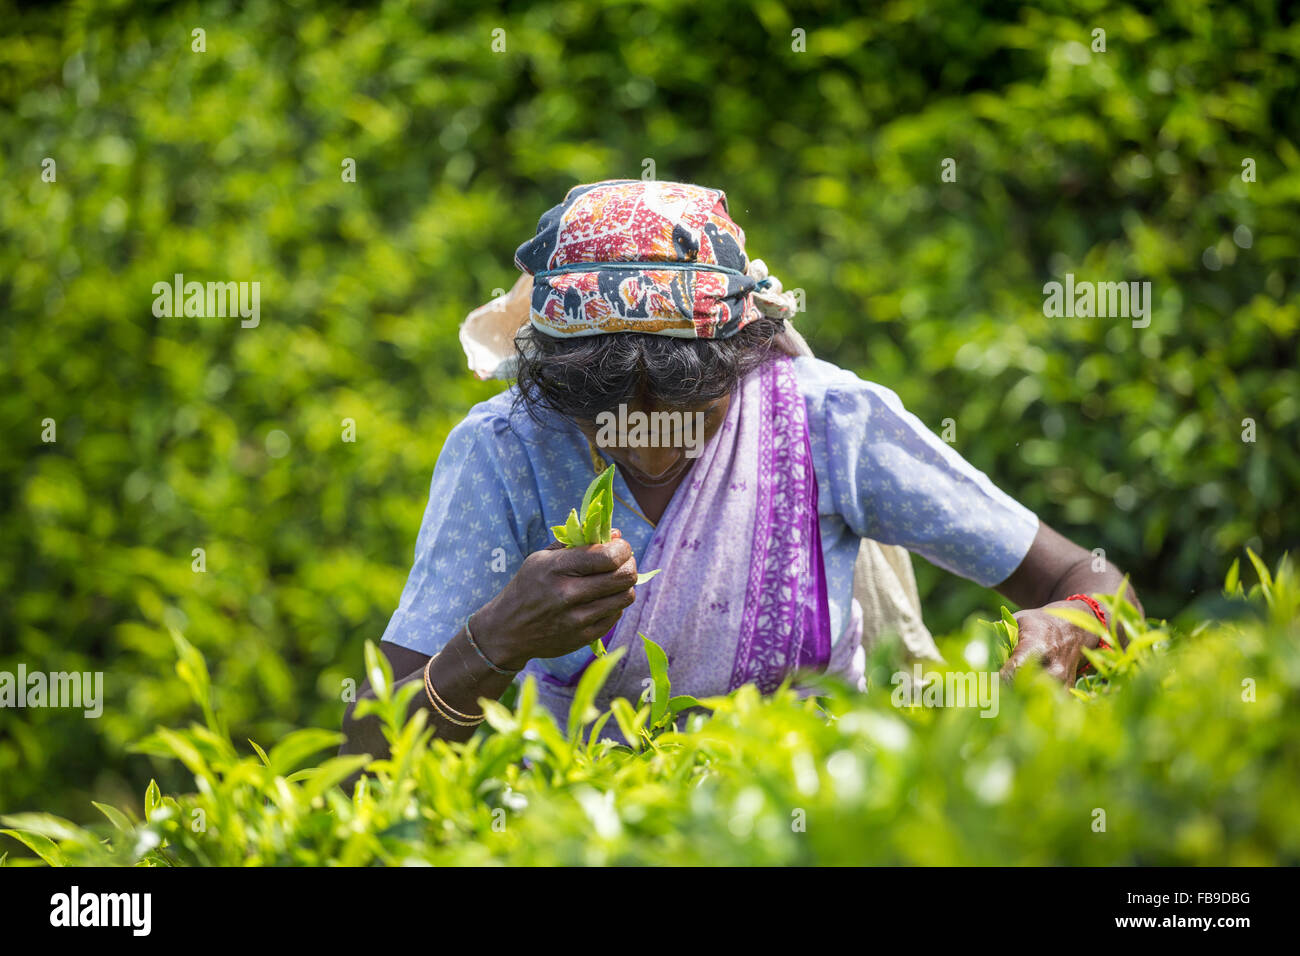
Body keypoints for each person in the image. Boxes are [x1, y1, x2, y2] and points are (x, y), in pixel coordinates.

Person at [341, 179, 1142, 756]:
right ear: (553, 385)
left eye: (687, 409)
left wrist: (1070, 627)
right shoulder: (508, 450)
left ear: (748, 362)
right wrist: (497, 637)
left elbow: (1089, 576)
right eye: (610, 415)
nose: (651, 445)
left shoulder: (826, 422)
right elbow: (365, 763)